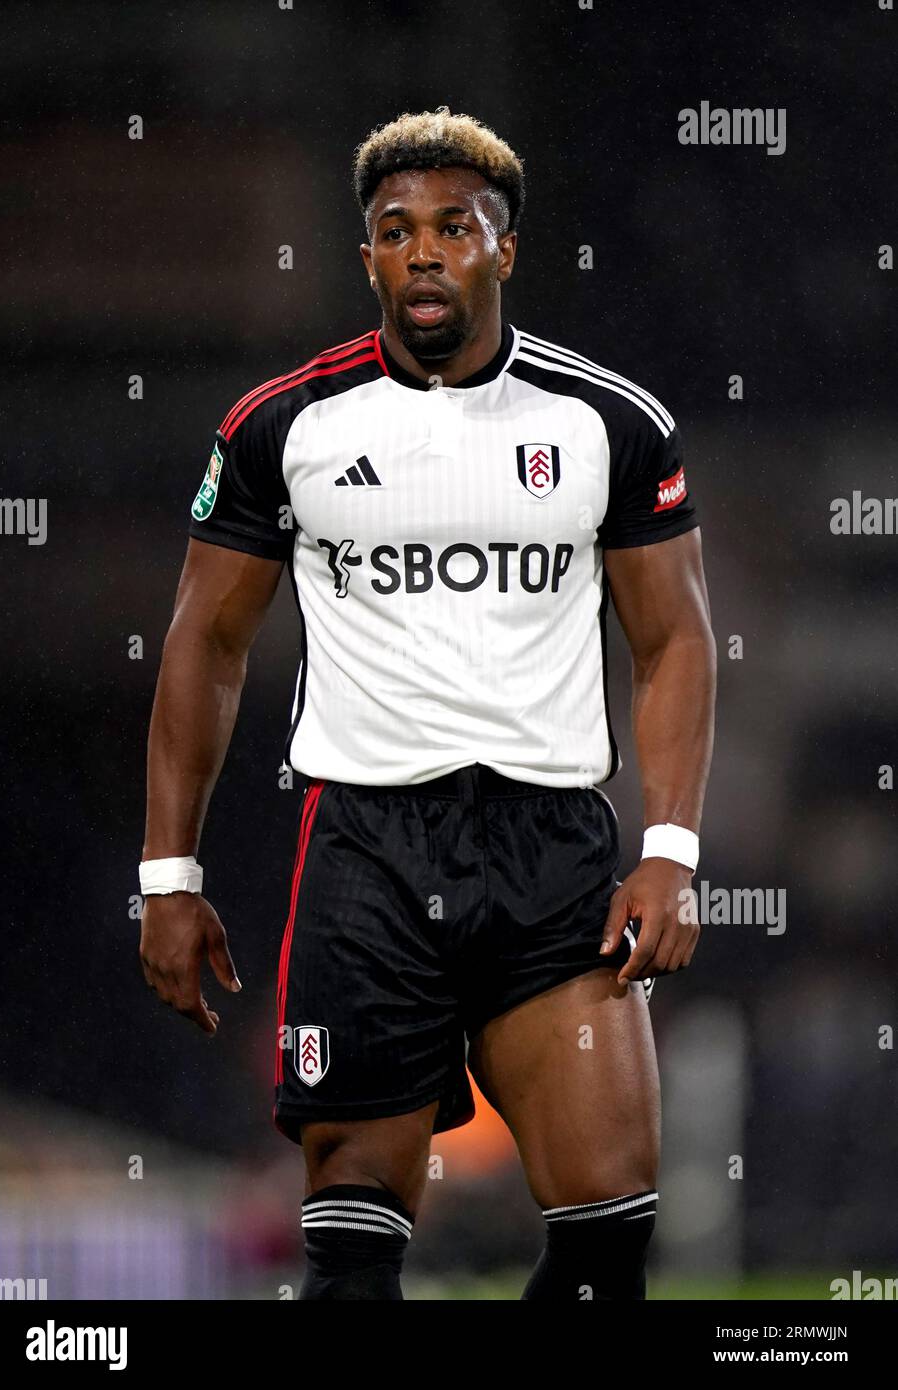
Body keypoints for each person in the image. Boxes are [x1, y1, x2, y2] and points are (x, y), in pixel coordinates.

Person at [139, 106, 716, 1301]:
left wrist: (667, 851)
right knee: (349, 1257)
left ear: (504, 247)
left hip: (552, 853)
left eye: (455, 227)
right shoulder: (283, 426)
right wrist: (169, 879)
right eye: (395, 231)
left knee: (609, 1239)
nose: (423, 252)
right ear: (366, 259)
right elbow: (204, 644)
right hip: (364, 857)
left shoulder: (606, 422)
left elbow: (674, 641)